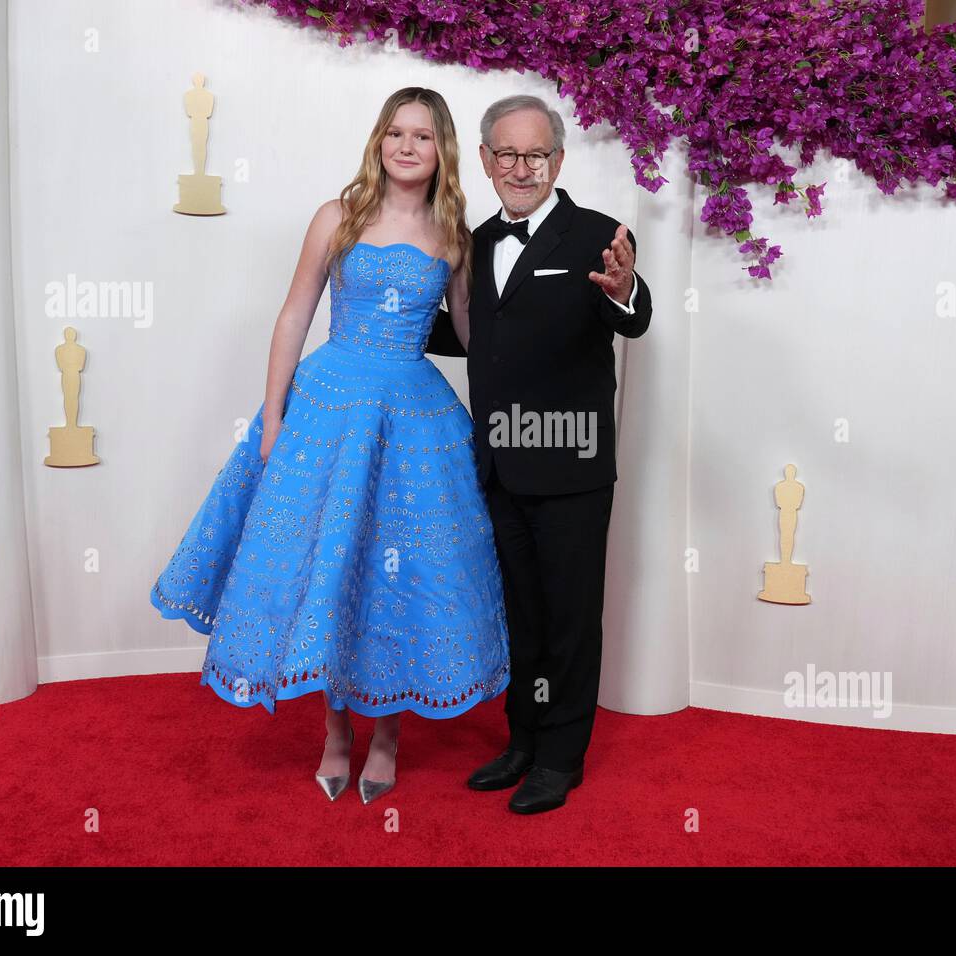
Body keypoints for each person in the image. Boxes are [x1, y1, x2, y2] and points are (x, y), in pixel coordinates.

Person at [150, 87, 509, 806]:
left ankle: (387, 739)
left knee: (394, 580)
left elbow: (473, 332)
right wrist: (275, 417)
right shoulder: (336, 216)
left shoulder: (453, 231)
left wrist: (537, 362)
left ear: (443, 150)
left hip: (412, 416)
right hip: (327, 407)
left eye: (424, 136)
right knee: (328, 566)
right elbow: (294, 314)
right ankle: (336, 731)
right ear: (379, 141)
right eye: (396, 133)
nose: (407, 147)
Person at [427, 95, 653, 814]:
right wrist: (381, 319)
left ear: (557, 161)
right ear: (487, 162)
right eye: (507, 154)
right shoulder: (474, 242)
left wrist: (625, 290)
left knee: (567, 617)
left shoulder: (597, 237)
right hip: (497, 465)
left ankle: (560, 757)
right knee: (520, 614)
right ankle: (522, 740)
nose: (521, 167)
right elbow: (470, 335)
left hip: (571, 468)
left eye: (536, 154)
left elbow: (634, 312)